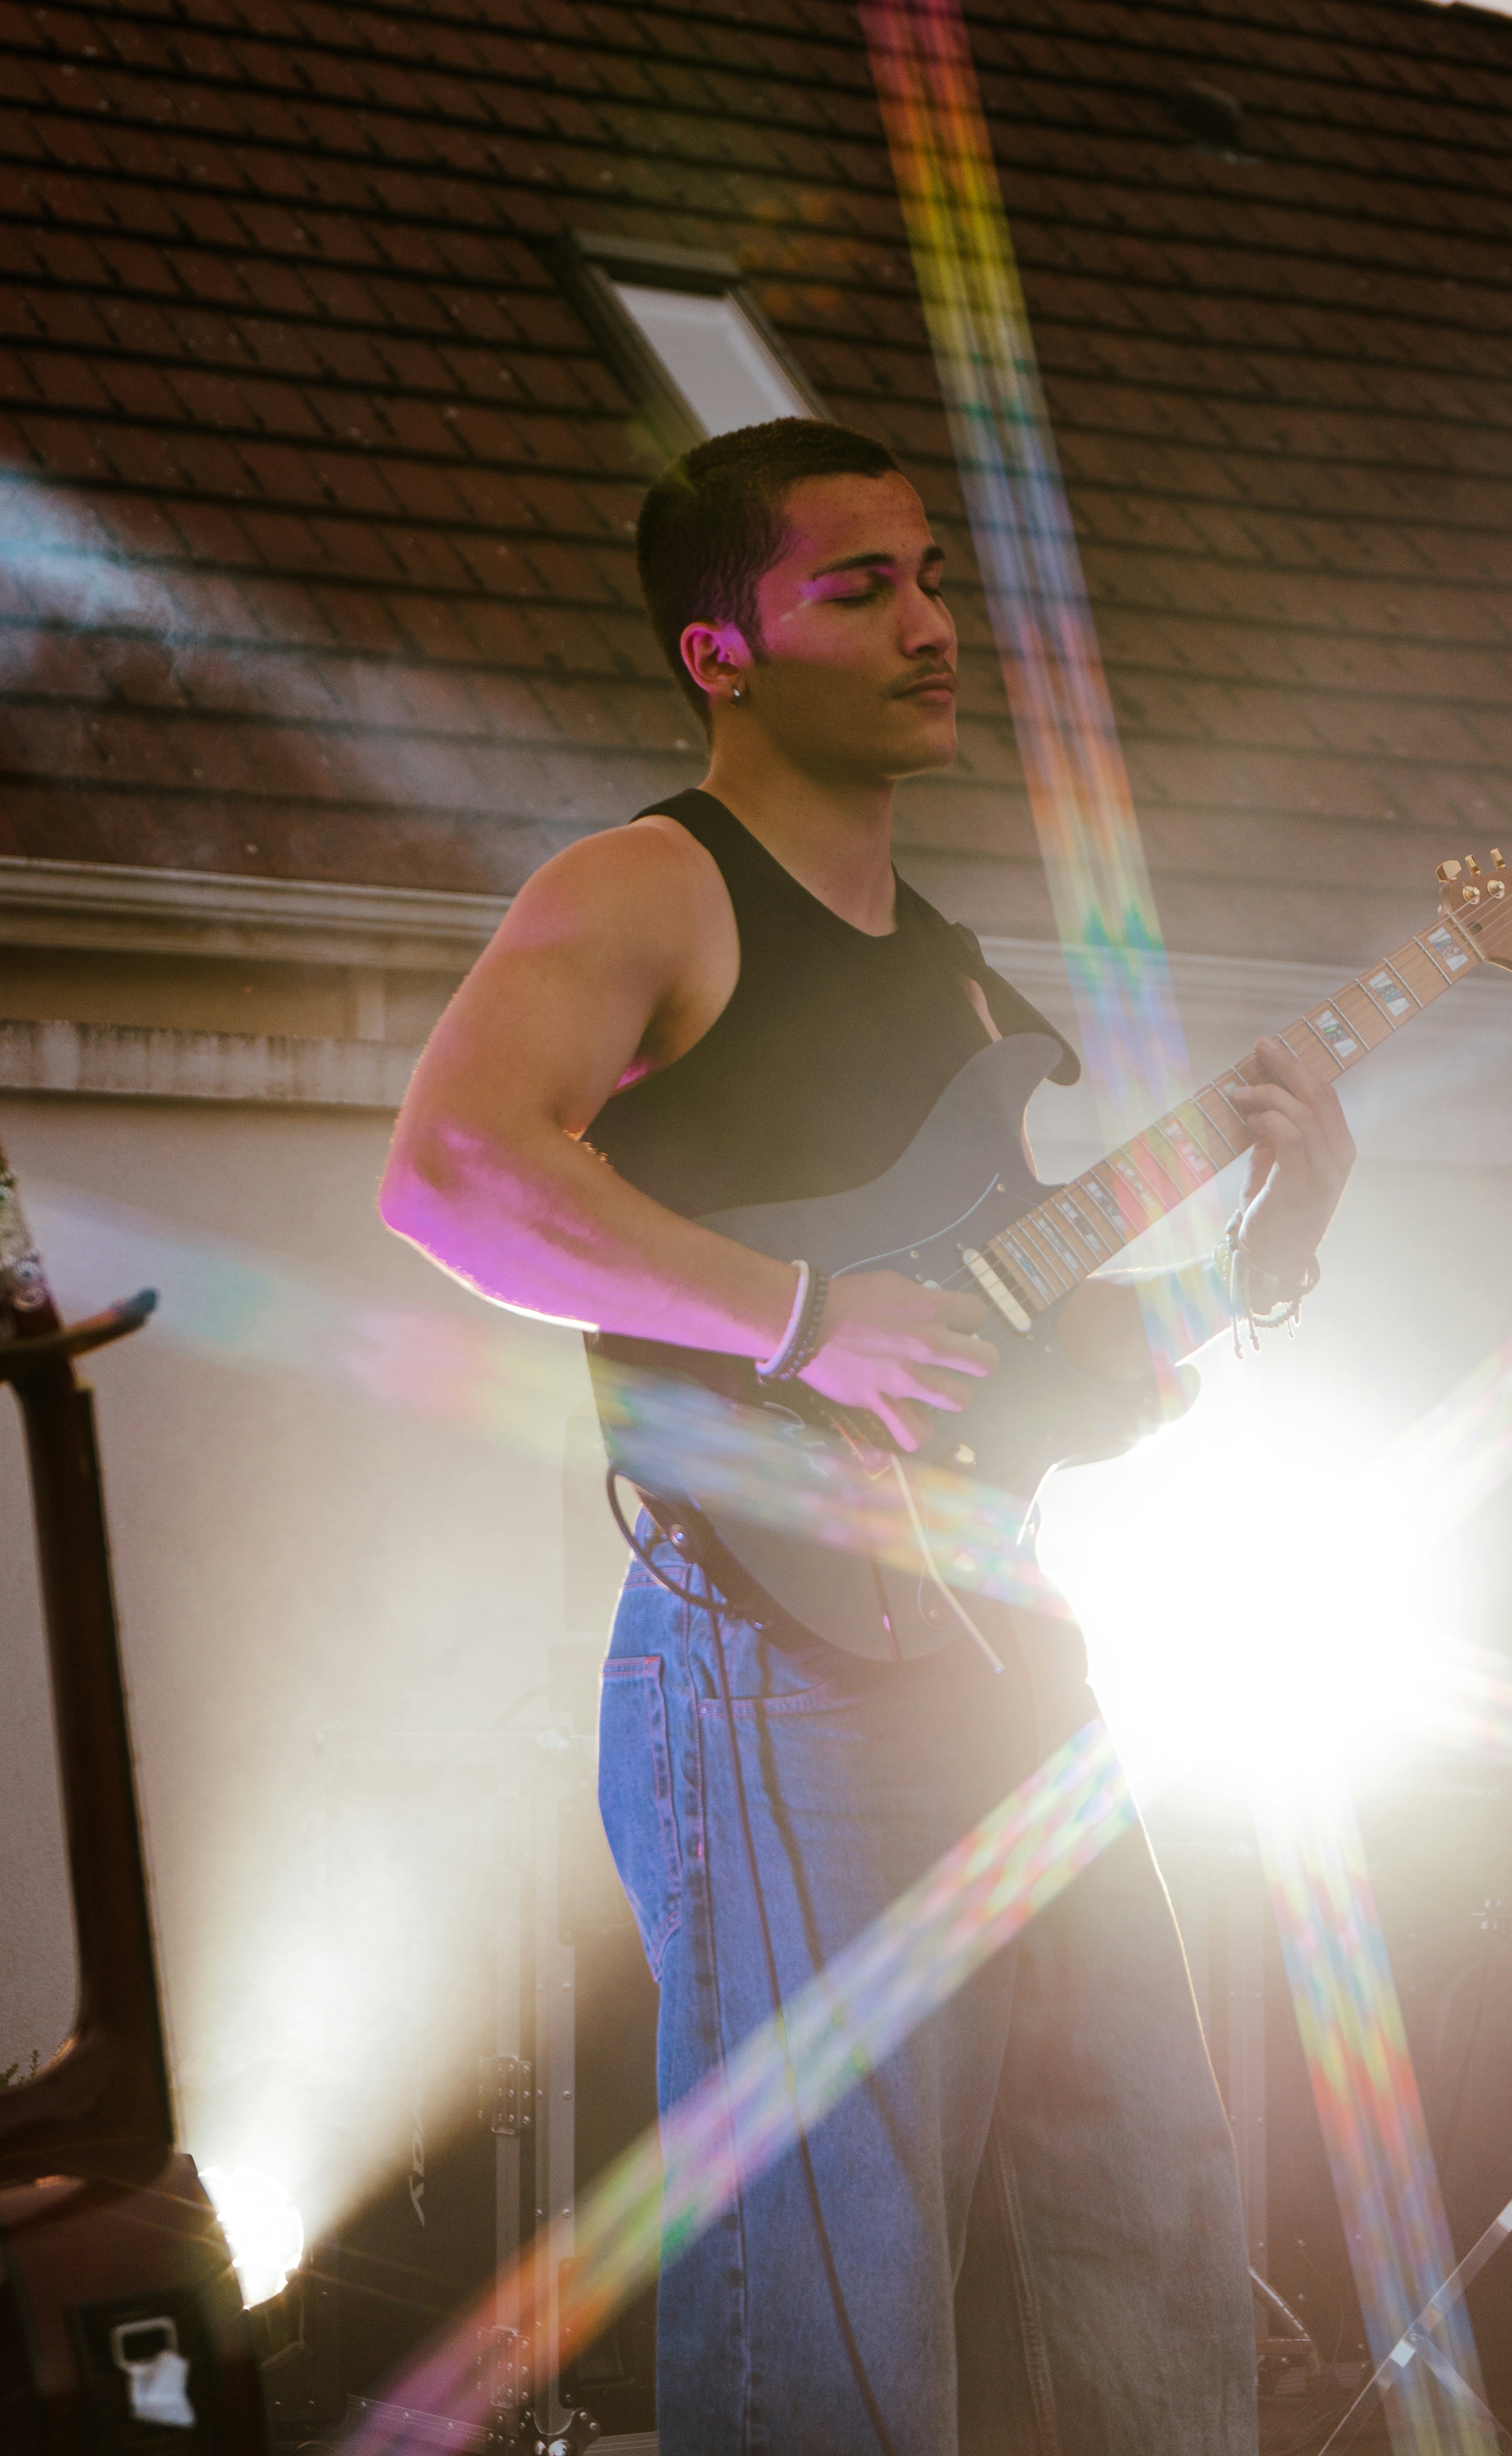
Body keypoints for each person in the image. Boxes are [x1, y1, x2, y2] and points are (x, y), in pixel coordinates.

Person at [381, 416, 1357, 2453]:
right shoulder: (651, 883)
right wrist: (804, 1315)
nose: (930, 625)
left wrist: (1276, 1258)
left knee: (1158, 2225)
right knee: (837, 2296)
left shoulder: (952, 977)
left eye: (933, 580)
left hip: (1005, 1646)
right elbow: (453, 1177)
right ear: (718, 652)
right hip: (768, 1666)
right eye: (861, 588)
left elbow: (1023, 1377)